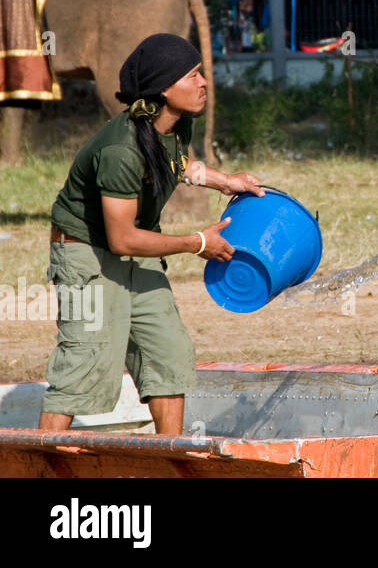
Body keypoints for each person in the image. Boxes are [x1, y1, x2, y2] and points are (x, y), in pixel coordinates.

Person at [38, 34, 265, 435]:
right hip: (87, 253)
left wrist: (224, 180)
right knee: (85, 363)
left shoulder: (175, 125)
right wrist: (197, 243)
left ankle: (166, 460)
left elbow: (176, 163)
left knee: (168, 355)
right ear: (164, 88)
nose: (203, 82)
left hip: (135, 244)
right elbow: (122, 239)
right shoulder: (120, 149)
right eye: (192, 75)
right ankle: (34, 462)